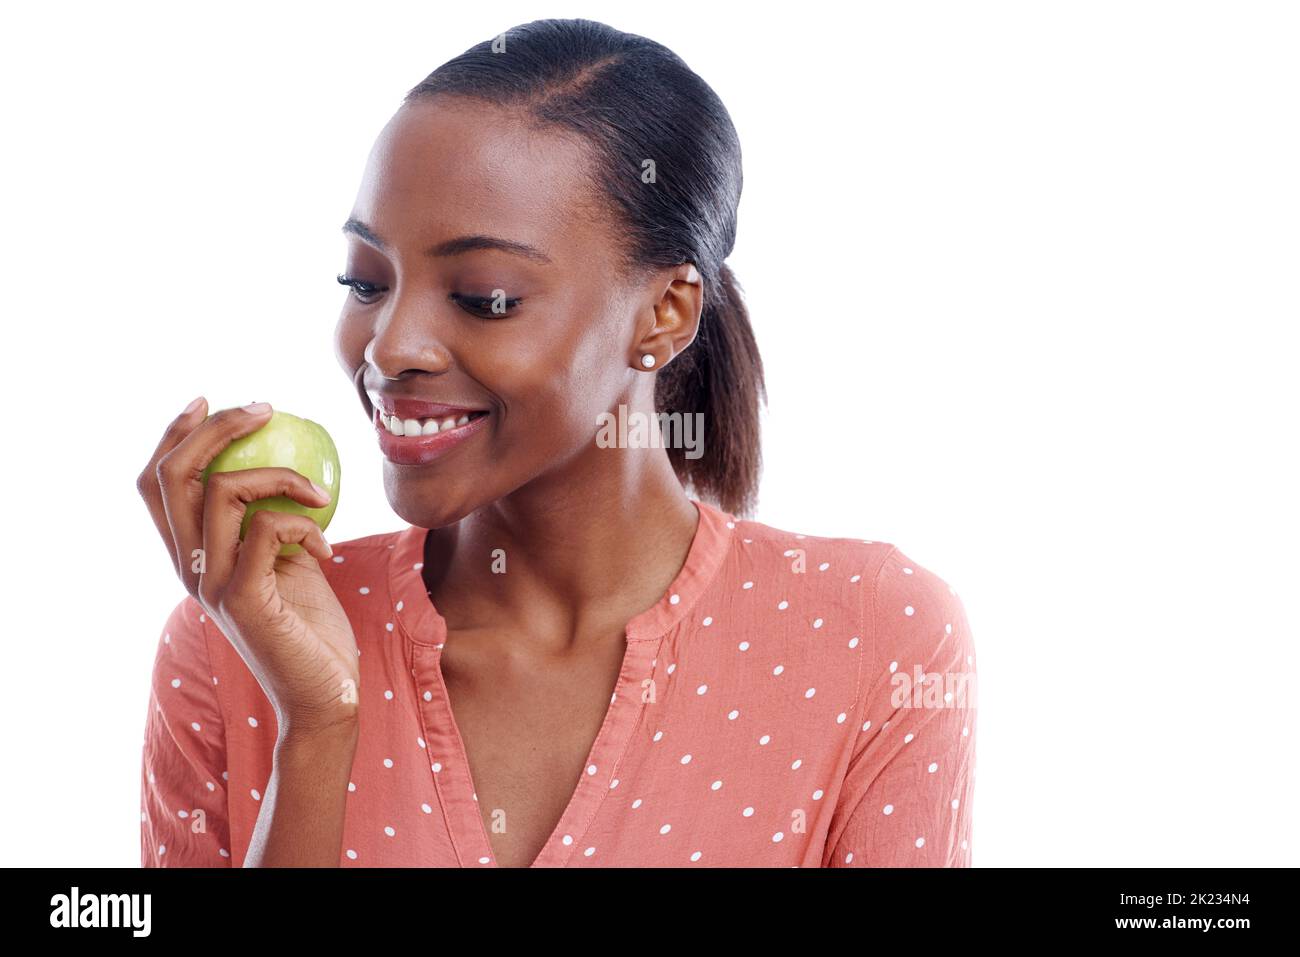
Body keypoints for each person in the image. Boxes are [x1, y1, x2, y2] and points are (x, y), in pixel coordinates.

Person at [136, 17, 977, 868]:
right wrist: (314, 729)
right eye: (366, 280)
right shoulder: (234, 643)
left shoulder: (876, 638)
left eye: (484, 296)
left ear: (665, 313)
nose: (390, 348)